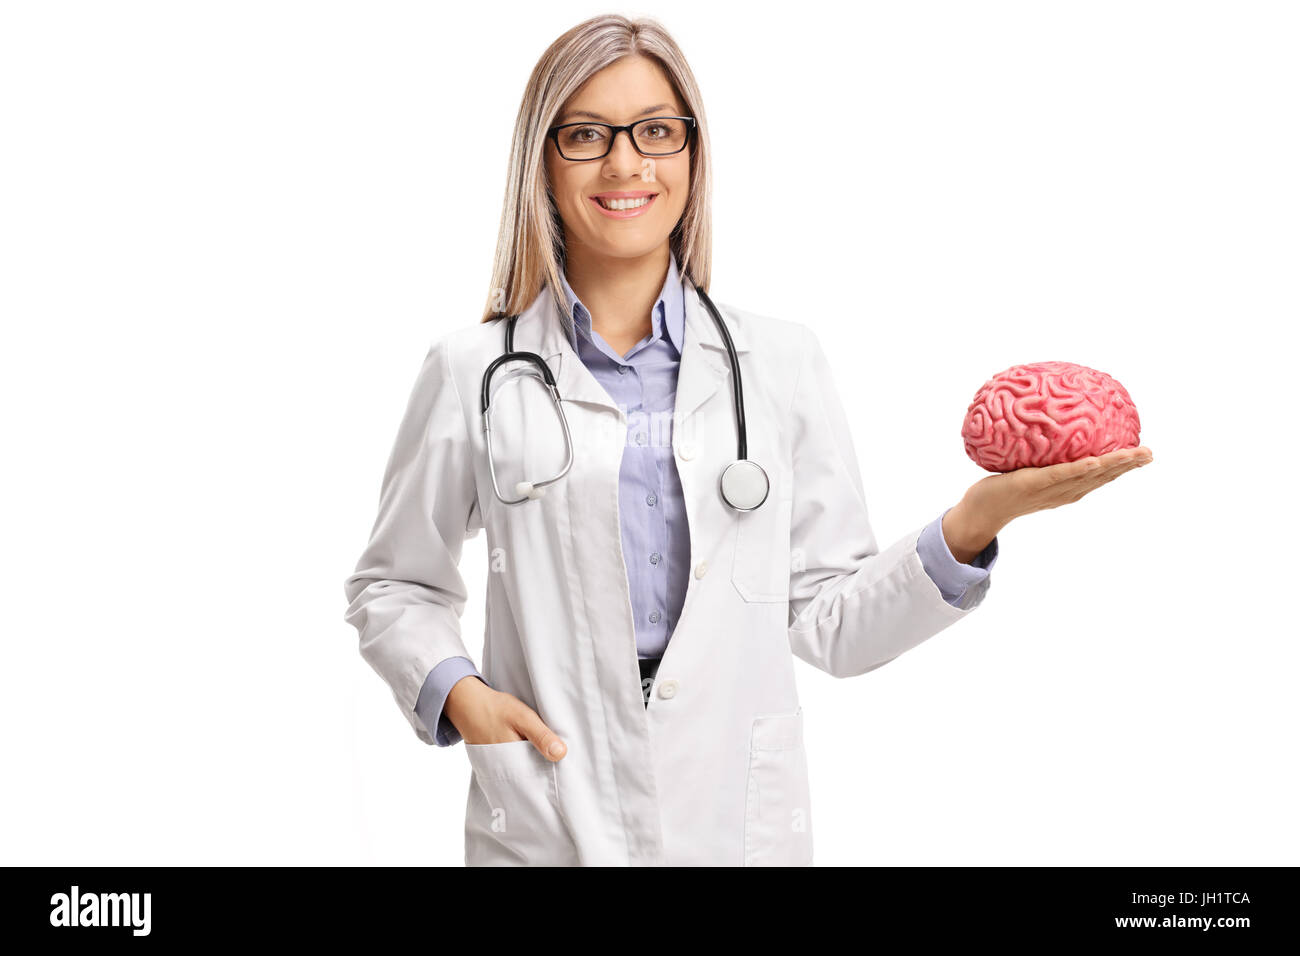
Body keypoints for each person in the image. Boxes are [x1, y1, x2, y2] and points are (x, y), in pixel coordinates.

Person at [342, 14, 1153, 866]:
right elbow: (394, 583)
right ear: (542, 161)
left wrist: (976, 521)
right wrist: (460, 695)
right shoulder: (471, 369)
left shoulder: (782, 362)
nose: (626, 163)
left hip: (735, 818)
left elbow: (831, 621)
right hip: (550, 809)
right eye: (586, 135)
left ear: (693, 155)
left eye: (656, 130)